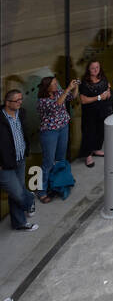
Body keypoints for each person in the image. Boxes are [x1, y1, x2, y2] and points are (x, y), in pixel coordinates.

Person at [0, 87, 37, 231]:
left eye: (21, 99)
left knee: (15, 194)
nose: (20, 103)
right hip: (5, 165)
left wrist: (26, 149)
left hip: (20, 159)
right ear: (7, 102)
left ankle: (19, 223)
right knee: (18, 193)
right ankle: (30, 200)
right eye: (17, 101)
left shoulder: (21, 113)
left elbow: (23, 132)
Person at [37, 75, 78, 201]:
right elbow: (57, 104)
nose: (56, 86)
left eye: (56, 83)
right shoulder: (42, 100)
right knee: (48, 162)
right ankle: (41, 191)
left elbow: (72, 97)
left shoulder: (59, 92)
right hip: (50, 132)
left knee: (60, 159)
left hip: (63, 128)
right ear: (47, 87)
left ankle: (59, 184)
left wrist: (75, 87)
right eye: (54, 84)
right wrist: (67, 89)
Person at [78, 60, 113, 166]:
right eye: (93, 68)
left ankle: (97, 149)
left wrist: (108, 93)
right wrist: (99, 97)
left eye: (97, 67)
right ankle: (88, 155)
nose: (96, 70)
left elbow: (108, 90)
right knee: (89, 133)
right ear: (88, 69)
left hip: (103, 110)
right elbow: (83, 100)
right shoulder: (85, 82)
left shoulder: (102, 77)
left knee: (100, 131)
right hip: (90, 113)